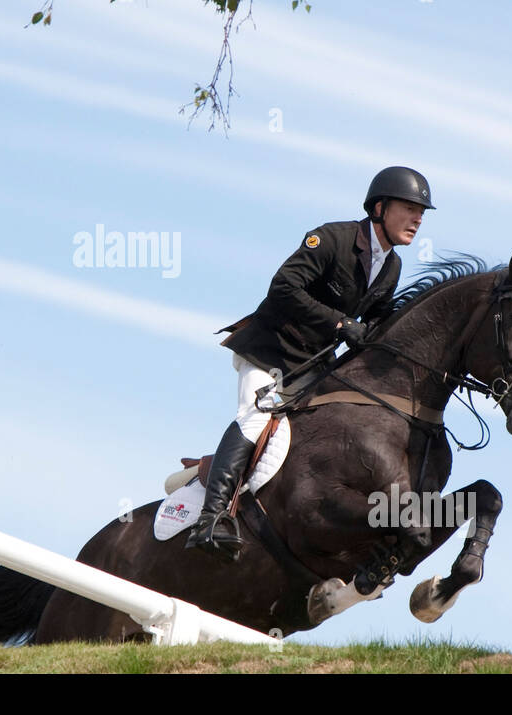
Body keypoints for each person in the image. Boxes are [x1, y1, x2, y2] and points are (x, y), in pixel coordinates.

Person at [184, 166, 435, 561]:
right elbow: (284, 286)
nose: (418, 218)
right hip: (271, 351)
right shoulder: (332, 238)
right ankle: (210, 517)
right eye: (410, 208)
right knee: (256, 417)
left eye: (422, 211)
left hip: (313, 366)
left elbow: (375, 322)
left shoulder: (391, 267)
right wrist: (340, 322)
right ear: (380, 207)